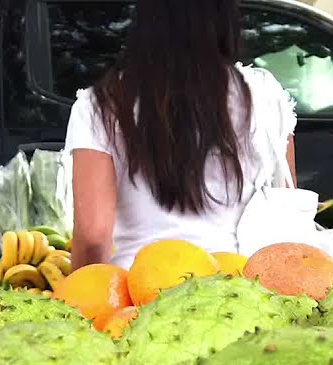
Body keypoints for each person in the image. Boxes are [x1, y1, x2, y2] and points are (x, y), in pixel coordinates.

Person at [64, 0, 297, 270]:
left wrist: (80, 296)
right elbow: (286, 203)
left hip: (141, 293)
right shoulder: (265, 96)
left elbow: (94, 235)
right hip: (237, 290)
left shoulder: (100, 104)